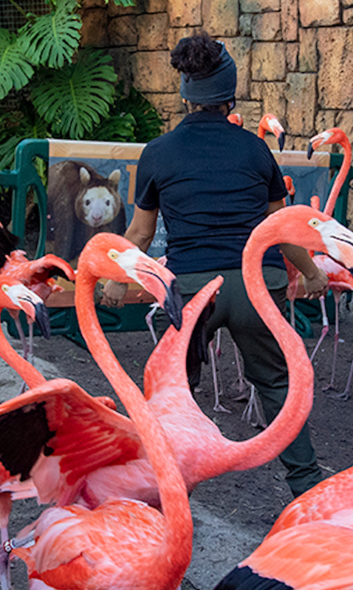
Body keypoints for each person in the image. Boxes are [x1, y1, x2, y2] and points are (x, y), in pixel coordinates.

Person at [102, 31, 329, 497]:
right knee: (277, 383)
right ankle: (307, 488)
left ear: (186, 94)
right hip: (255, 285)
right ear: (229, 94)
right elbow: (279, 228)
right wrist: (311, 272)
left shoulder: (158, 153)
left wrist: (116, 280)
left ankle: (162, 492)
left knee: (174, 390)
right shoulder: (255, 150)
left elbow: (141, 234)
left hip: (191, 288)